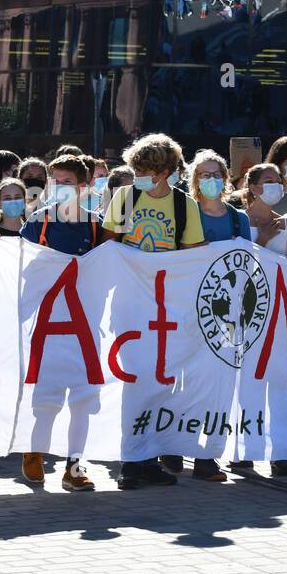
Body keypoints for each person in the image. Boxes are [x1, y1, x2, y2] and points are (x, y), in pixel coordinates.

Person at [102, 133, 203, 489]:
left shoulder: (183, 205)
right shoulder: (124, 198)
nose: (138, 175)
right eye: (136, 169)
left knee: (163, 380)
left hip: (168, 304)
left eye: (145, 170)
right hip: (131, 304)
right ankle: (132, 459)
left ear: (163, 172)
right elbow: (108, 247)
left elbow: (192, 256)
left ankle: (152, 455)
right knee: (136, 379)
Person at [18, 156, 101, 491]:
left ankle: (76, 466)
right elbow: (17, 266)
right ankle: (35, 452)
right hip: (46, 324)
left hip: (85, 323)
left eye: (66, 181)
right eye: (56, 181)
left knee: (83, 398)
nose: (59, 187)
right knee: (47, 399)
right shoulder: (38, 222)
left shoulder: (96, 225)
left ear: (83, 187)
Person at [188, 149, 249, 482]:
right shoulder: (186, 214)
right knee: (190, 385)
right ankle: (176, 443)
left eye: (216, 175)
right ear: (194, 180)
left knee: (220, 387)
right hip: (189, 312)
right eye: (204, 175)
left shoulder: (238, 219)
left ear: (226, 180)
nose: (210, 181)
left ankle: (208, 454)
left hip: (227, 316)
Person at [242, 163, 287, 258]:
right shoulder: (238, 219)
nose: (276, 185)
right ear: (254, 188)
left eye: (279, 182)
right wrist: (263, 239)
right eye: (269, 181)